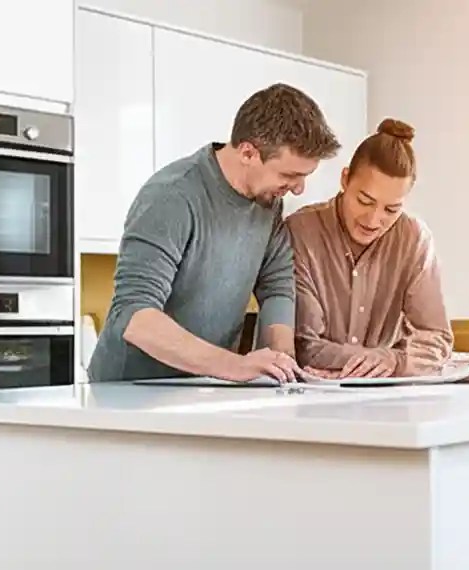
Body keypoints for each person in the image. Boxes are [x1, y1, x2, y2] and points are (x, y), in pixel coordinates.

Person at [86, 83, 341, 383]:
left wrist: (283, 364)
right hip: (129, 392)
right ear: (248, 152)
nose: (298, 188)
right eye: (289, 175)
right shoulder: (173, 196)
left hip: (201, 387)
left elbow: (277, 288)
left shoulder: (267, 204)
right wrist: (234, 366)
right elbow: (135, 315)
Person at [287, 118, 456, 379]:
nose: (373, 220)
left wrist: (392, 361)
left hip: (386, 397)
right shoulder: (301, 232)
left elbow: (436, 337)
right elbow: (303, 346)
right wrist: (377, 362)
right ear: (345, 180)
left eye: (391, 209)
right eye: (364, 201)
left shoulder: (414, 238)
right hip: (310, 394)